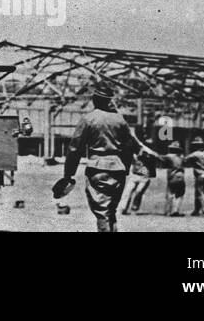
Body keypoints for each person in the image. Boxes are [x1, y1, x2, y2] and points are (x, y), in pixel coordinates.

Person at [55, 81, 153, 232]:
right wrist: (125, 169)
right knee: (111, 212)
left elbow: (75, 149)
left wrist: (68, 175)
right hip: (118, 170)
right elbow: (129, 147)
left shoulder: (88, 119)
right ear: (109, 100)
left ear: (95, 99)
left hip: (97, 169)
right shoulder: (120, 120)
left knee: (102, 213)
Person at [121, 146, 156, 215]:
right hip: (135, 175)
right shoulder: (136, 155)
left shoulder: (151, 156)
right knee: (128, 191)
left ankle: (134, 208)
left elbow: (153, 167)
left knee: (139, 192)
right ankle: (123, 208)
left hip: (144, 177)